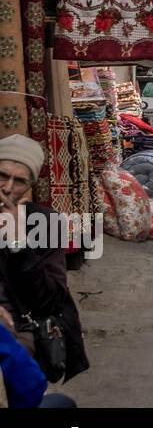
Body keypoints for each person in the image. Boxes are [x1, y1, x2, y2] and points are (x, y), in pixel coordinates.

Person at [0, 135, 90, 387]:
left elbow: (48, 301)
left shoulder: (44, 222)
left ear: (29, 186)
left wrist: (19, 244)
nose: (7, 188)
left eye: (18, 181)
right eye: (2, 175)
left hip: (23, 327)